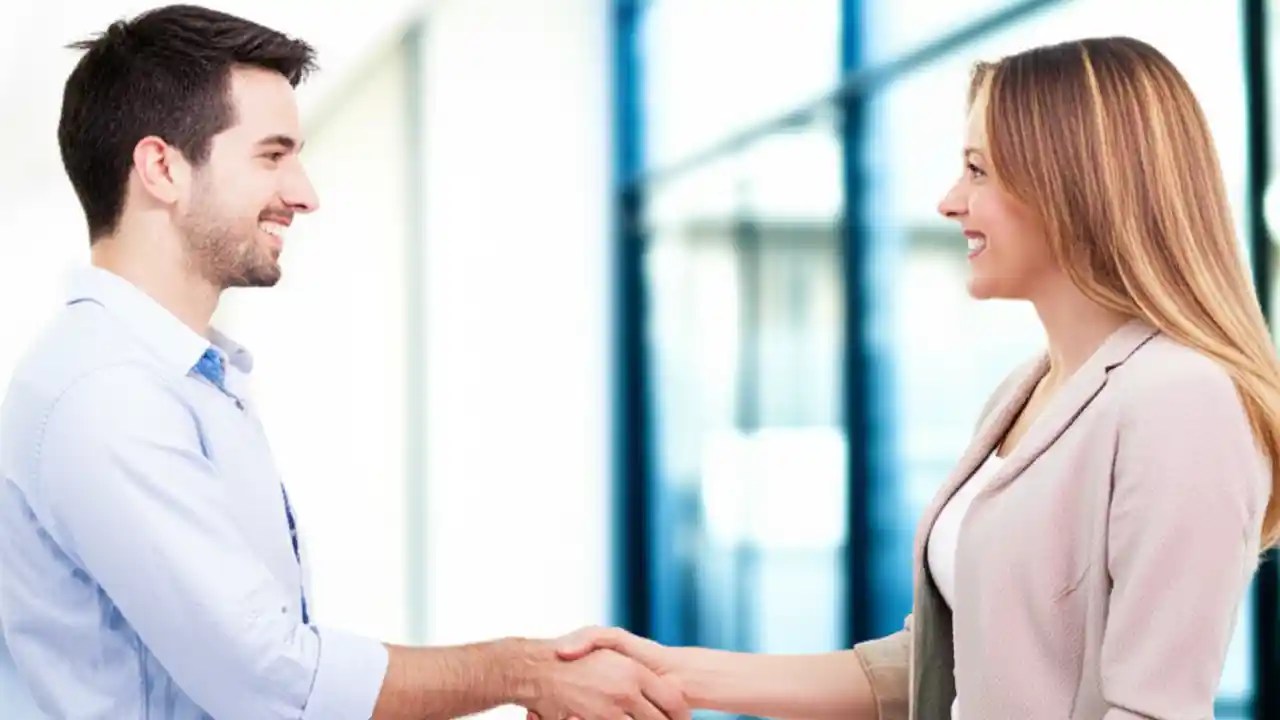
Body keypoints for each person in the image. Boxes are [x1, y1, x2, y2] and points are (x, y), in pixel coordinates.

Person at [549, 36, 1280, 719]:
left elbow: (1152, 710)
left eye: (978, 169)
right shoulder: (1026, 391)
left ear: (1073, 183)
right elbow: (933, 665)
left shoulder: (1182, 400)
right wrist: (668, 672)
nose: (949, 201)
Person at [0, 6, 690, 720]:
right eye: (272, 155)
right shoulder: (106, 392)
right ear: (162, 168)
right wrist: (524, 673)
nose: (305, 193)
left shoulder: (177, 379)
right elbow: (270, 678)